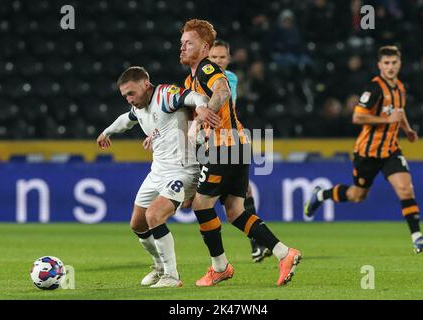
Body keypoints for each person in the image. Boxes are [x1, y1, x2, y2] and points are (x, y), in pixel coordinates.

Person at [180, 19, 301, 287]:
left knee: (201, 205)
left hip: (224, 147)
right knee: (235, 211)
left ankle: (220, 267)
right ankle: (284, 253)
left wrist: (203, 118)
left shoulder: (206, 68)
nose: (182, 47)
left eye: (189, 43)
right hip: (237, 144)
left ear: (204, 47)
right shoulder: (191, 77)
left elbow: (222, 90)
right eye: (181, 43)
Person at [304, 46, 423, 254]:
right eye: (386, 63)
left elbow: (399, 114)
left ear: (399, 64)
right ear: (380, 65)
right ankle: (322, 195)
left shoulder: (400, 88)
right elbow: (357, 117)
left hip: (391, 151)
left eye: (394, 63)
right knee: (358, 195)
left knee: (405, 189)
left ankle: (417, 238)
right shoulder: (374, 89)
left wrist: (408, 130)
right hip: (367, 152)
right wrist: (386, 119)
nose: (390, 67)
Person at [96, 66, 220, 288]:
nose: (129, 99)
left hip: (183, 170)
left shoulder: (165, 95)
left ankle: (171, 276)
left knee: (154, 215)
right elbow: (127, 119)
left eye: (131, 93)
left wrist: (201, 108)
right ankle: (159, 266)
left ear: (146, 84)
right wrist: (107, 132)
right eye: (125, 96)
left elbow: (195, 96)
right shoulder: (139, 108)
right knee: (137, 224)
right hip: (157, 172)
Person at [209, 39, 272, 263]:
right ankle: (260, 242)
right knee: (215, 200)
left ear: (229, 58)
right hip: (207, 141)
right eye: (214, 57)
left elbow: (227, 103)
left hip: (230, 138)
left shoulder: (230, 79)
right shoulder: (199, 79)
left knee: (242, 194)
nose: (218, 61)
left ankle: (256, 244)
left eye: (222, 57)